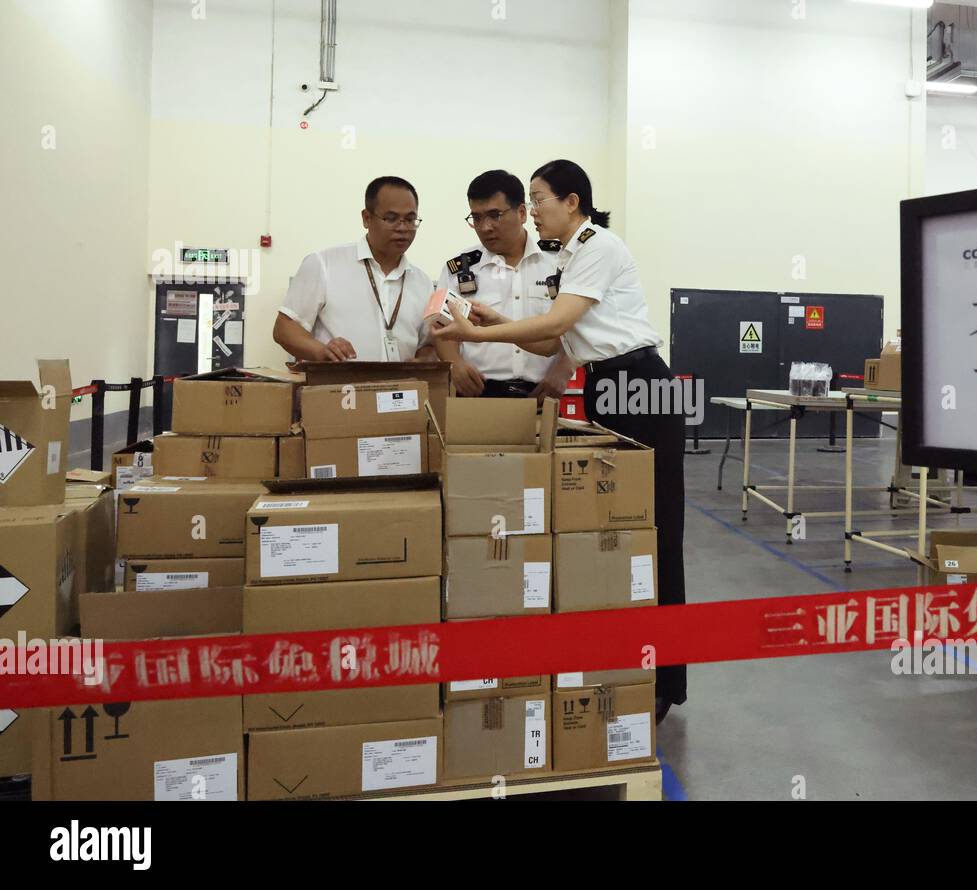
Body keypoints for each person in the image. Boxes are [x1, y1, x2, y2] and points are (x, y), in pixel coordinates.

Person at [430, 159, 686, 722]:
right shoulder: (571, 257)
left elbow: (550, 328)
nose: (534, 207)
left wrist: (473, 331)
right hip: (610, 384)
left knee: (656, 529)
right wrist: (487, 315)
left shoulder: (597, 246)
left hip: (641, 387)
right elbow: (553, 343)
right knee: (617, 528)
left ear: (571, 202)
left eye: (538, 198)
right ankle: (626, 661)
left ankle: (666, 678)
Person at [432, 170, 572, 399]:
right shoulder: (459, 269)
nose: (485, 227)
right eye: (476, 218)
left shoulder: (559, 263)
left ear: (522, 212)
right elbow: (441, 327)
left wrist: (563, 369)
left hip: (543, 393)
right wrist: (454, 363)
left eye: (494, 215)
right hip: (478, 394)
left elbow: (578, 327)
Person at [274, 176, 434, 363]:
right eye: (391, 219)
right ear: (366, 218)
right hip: (338, 388)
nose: (403, 228)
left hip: (401, 390)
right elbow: (285, 328)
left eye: (410, 219)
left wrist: (425, 360)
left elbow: (428, 345)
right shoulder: (324, 264)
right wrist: (322, 351)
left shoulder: (422, 282)